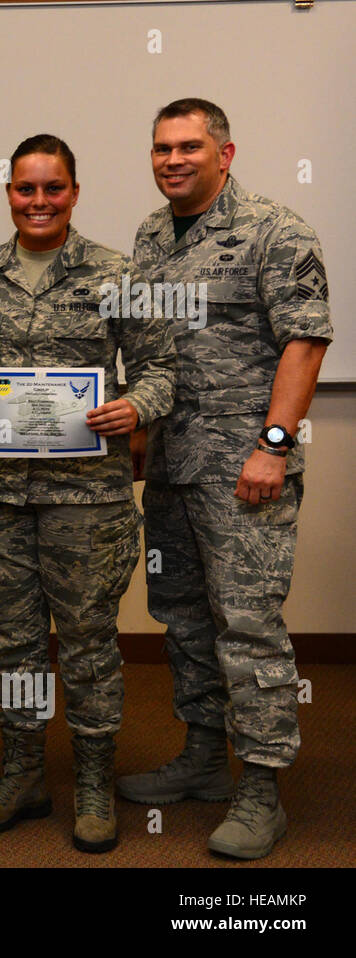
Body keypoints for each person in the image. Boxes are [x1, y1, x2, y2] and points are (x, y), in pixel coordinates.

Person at [0, 135, 176, 853]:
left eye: (53, 189)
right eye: (25, 190)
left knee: (89, 642)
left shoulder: (116, 273)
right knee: (11, 647)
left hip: (87, 499)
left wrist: (137, 407)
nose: (39, 203)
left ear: (75, 191)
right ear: (8, 192)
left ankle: (94, 780)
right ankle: (24, 771)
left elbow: (162, 367)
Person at [117, 99, 330, 860]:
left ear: (225, 154)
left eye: (188, 147)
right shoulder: (148, 234)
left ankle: (262, 788)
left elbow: (304, 341)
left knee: (247, 623)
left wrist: (273, 444)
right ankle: (205, 758)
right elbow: (149, 347)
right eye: (161, 148)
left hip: (243, 468)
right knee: (182, 615)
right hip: (172, 464)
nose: (172, 160)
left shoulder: (277, 229)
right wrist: (141, 433)